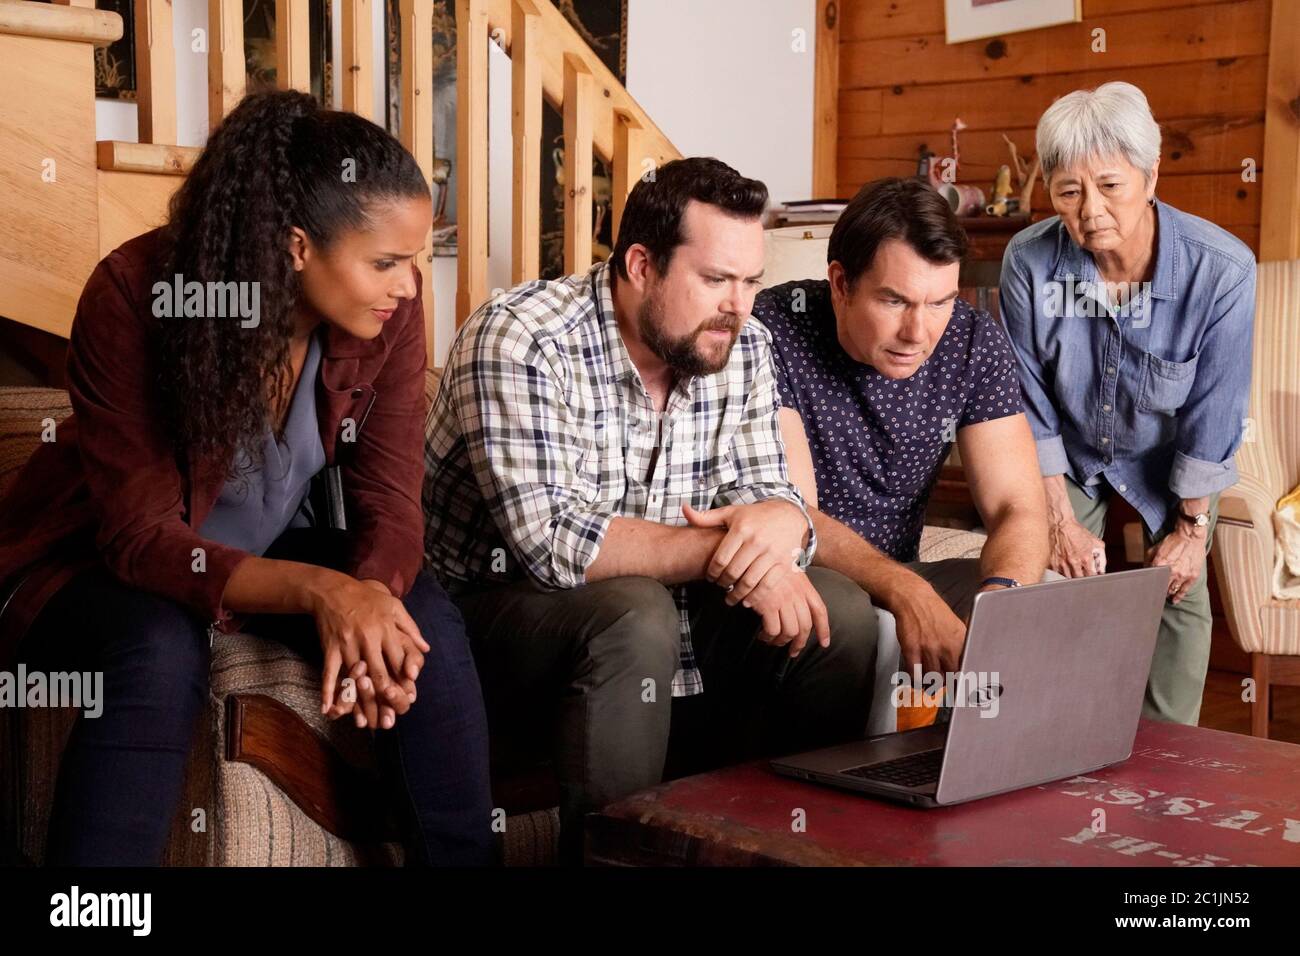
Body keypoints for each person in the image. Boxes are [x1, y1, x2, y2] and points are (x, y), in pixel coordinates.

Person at [0, 91, 493, 865]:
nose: (408, 287)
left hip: (256, 559)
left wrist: (368, 600)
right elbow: (140, 540)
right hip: (90, 568)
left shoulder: (385, 317)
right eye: (385, 263)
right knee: (160, 647)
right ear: (297, 247)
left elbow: (392, 500)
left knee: (415, 614)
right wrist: (323, 592)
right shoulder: (136, 294)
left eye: (417, 260)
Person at [424, 157, 878, 863]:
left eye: (751, 281)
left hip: (676, 612)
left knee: (839, 614)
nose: (739, 305)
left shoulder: (743, 346)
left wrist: (784, 524)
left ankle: (784, 854)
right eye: (716, 279)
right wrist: (738, 550)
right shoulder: (522, 337)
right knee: (632, 612)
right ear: (640, 265)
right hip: (493, 617)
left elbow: (773, 496)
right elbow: (554, 542)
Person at [1000, 81, 1256, 725]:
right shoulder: (1028, 262)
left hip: (1172, 455)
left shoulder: (1222, 271)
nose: (1090, 211)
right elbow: (1027, 398)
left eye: (1110, 185)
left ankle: (1167, 749)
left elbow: (1214, 413)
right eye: (1068, 191)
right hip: (1069, 447)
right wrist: (1056, 519)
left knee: (1178, 587)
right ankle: (1052, 735)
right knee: (1045, 579)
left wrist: (1191, 529)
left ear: (1151, 174)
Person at [752, 177, 1049, 721]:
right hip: (808, 575)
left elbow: (1019, 507)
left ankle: (974, 766)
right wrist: (908, 592)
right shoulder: (775, 328)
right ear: (840, 283)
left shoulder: (971, 339)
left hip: (903, 568)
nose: (919, 332)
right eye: (894, 301)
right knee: (859, 619)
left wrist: (999, 600)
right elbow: (798, 515)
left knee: (1039, 598)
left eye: (939, 302)